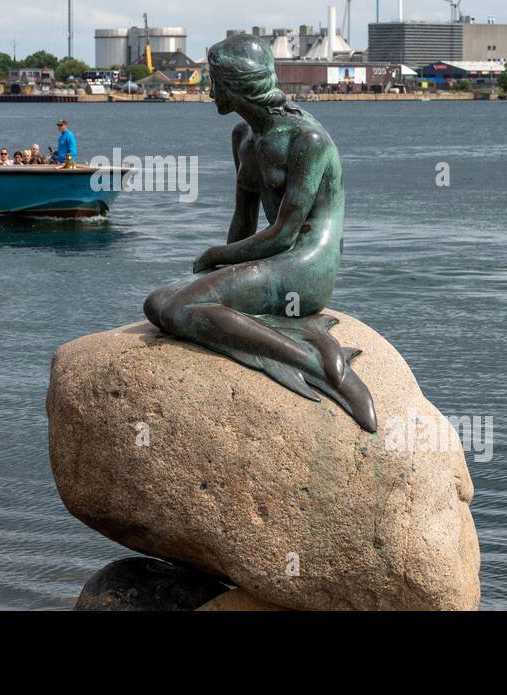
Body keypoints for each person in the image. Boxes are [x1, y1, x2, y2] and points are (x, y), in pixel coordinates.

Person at [142, 34, 376, 433]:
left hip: (305, 264)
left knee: (184, 310)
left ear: (236, 84)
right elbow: (244, 221)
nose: (208, 90)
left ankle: (320, 364)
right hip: (270, 259)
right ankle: (280, 332)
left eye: (213, 81)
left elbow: (285, 234)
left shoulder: (308, 141)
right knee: (158, 303)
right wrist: (216, 268)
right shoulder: (243, 137)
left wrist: (216, 257)